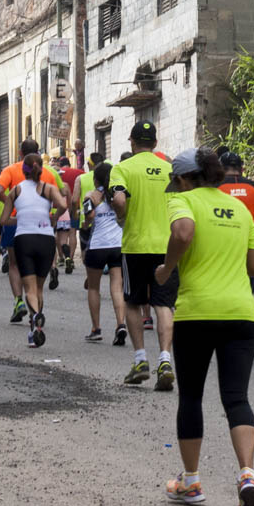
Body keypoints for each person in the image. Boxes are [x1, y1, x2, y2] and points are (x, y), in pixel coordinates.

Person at [157, 148, 254, 506]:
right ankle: (247, 475)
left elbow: (184, 233)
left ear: (185, 179)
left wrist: (167, 268)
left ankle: (191, 482)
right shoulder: (240, 209)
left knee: (191, 397)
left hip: (197, 313)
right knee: (237, 398)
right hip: (242, 315)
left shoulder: (183, 200)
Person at [110, 121, 178, 389]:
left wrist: (122, 215)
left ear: (132, 142)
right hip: (165, 246)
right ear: (156, 143)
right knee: (164, 303)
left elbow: (118, 199)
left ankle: (140, 359)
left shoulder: (123, 168)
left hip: (135, 246)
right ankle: (165, 359)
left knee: (134, 302)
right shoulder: (170, 169)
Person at [0, 153, 65, 346]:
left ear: (23, 171)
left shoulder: (15, 191)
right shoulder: (48, 188)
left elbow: (3, 220)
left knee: (29, 288)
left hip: (24, 240)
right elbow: (65, 204)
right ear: (41, 169)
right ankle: (37, 322)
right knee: (39, 287)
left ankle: (34, 327)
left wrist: (22, 218)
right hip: (46, 240)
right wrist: (54, 217)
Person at [83, 160, 128, 345]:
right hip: (118, 245)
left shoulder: (91, 195)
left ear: (95, 179)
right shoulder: (119, 195)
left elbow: (88, 220)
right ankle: (120, 324)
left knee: (93, 287)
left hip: (98, 245)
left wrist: (93, 201)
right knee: (117, 287)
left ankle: (96, 329)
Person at [218, 153, 254, 291]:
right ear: (242, 169)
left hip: (223, 246)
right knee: (247, 292)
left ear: (220, 169)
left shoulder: (214, 188)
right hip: (251, 245)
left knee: (224, 290)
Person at [53, 156, 80, 284]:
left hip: (52, 215)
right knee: (64, 240)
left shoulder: (49, 186)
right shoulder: (65, 186)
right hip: (64, 215)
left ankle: (55, 262)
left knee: (53, 239)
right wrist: (69, 211)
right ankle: (68, 257)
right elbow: (69, 201)